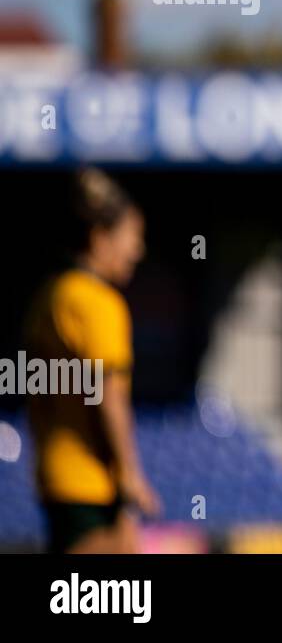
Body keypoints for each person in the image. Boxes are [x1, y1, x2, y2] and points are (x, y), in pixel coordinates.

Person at [25, 167, 161, 552]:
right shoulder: (98, 303)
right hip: (92, 483)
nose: (139, 250)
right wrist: (131, 475)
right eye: (133, 237)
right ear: (100, 239)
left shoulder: (49, 295)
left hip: (54, 473)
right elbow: (109, 395)